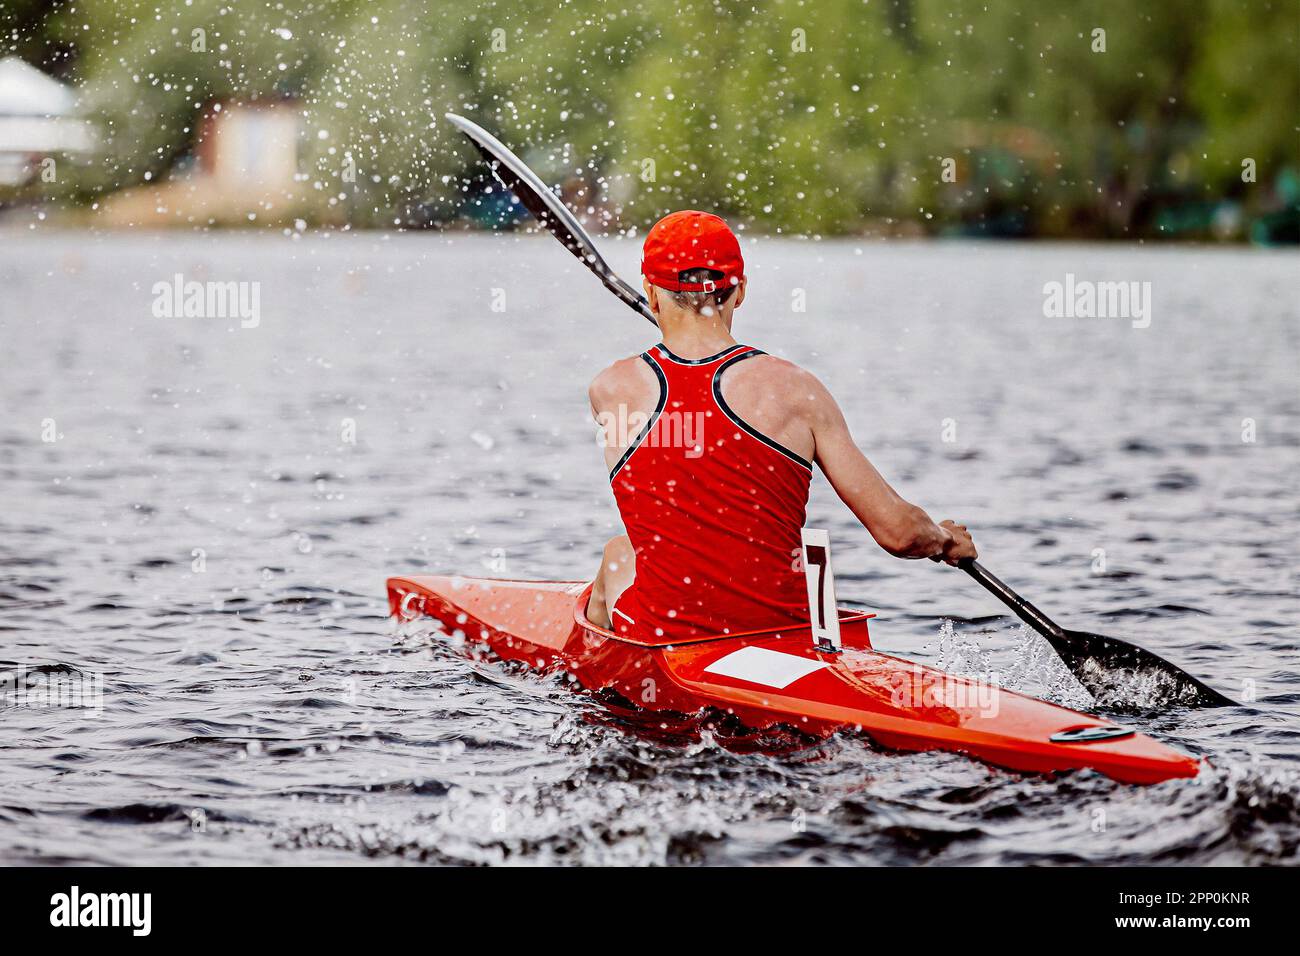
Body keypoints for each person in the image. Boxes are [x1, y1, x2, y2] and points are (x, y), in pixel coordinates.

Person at [586, 210, 976, 639]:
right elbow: (900, 534)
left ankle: (596, 662)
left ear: (651, 293)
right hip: (783, 634)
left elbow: (684, 496)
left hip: (669, 640)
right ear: (740, 292)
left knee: (620, 554)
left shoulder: (610, 389)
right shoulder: (798, 391)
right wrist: (942, 540)